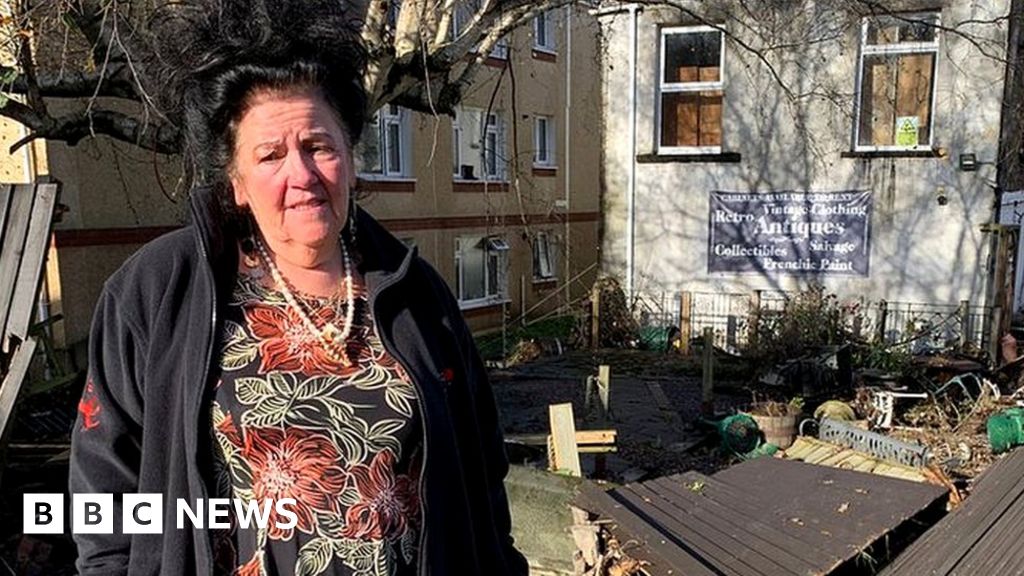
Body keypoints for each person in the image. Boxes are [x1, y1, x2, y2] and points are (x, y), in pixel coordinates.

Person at [68, 1, 528, 574]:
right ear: (236, 182)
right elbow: (104, 490)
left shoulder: (417, 295)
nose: (302, 175)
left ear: (351, 160)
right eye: (270, 155)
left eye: (318, 147)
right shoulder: (157, 292)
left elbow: (482, 475)